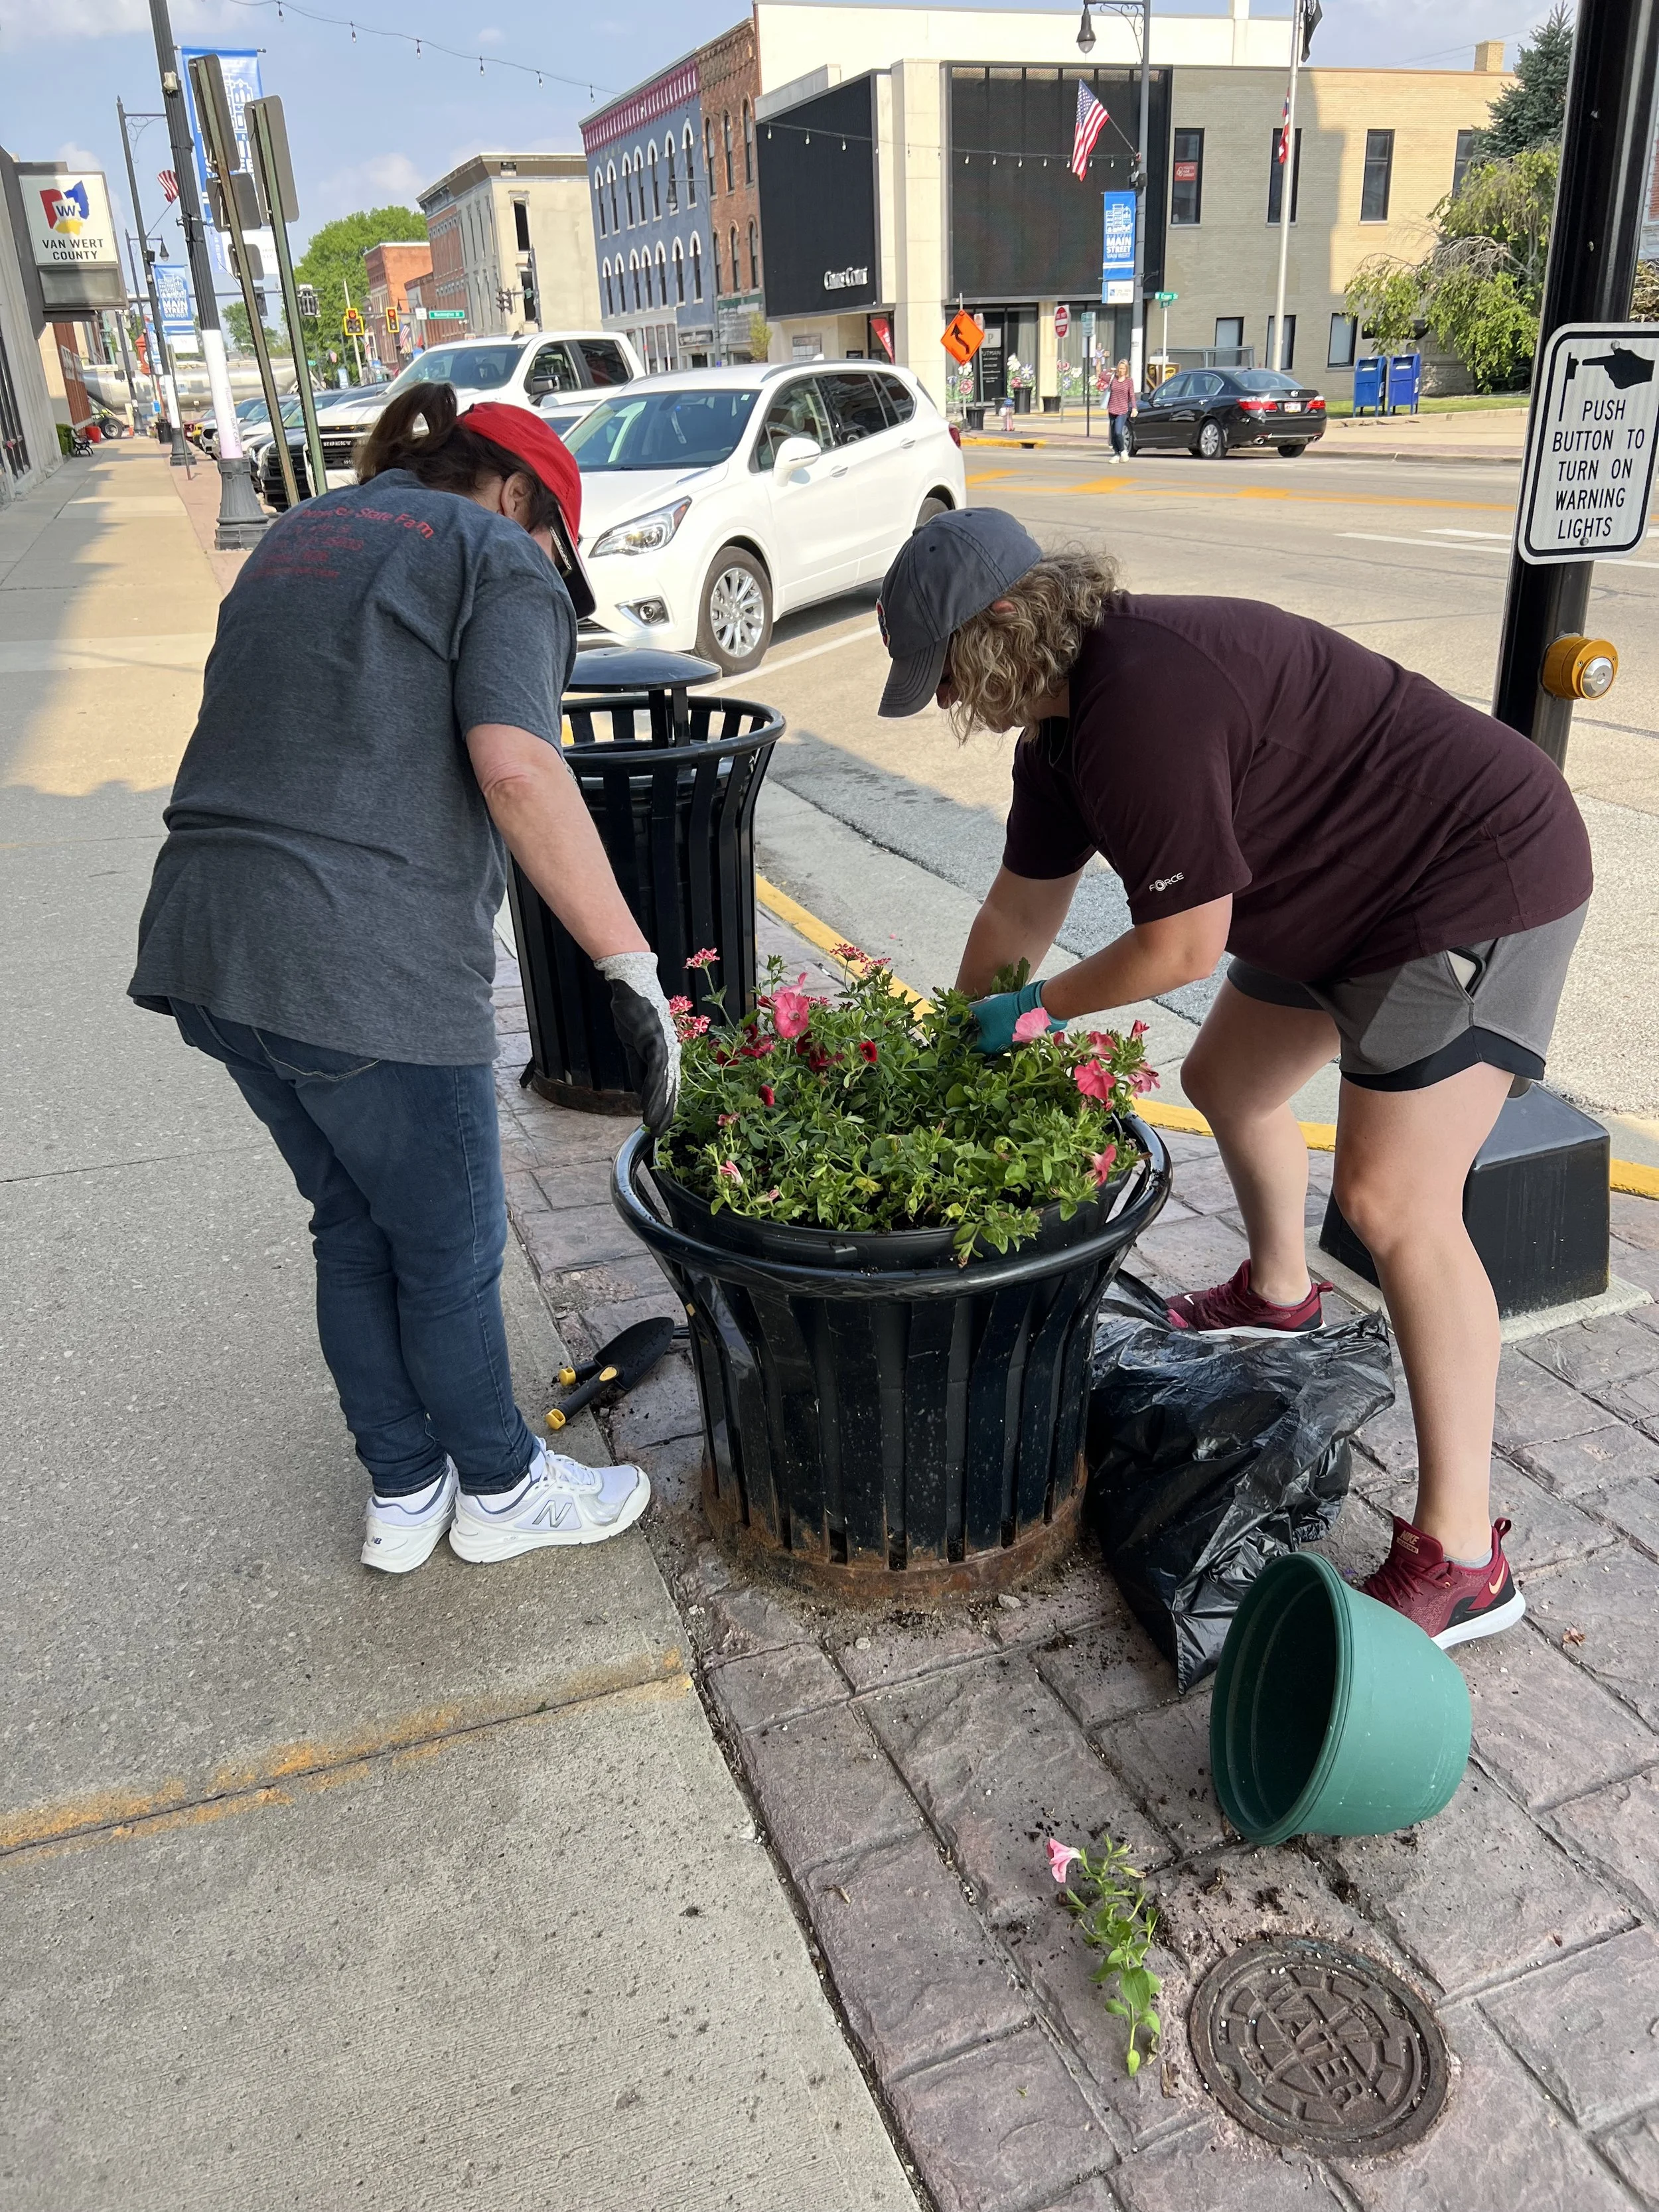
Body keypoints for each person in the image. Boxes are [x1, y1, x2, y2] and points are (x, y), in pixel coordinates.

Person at [873, 508, 1593, 1649]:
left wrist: (1037, 1011)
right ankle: (1279, 1293)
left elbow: (1181, 948)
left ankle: (1465, 1556)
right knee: (1227, 1077)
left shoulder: (1143, 697)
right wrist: (957, 1042)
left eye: (952, 673)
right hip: (1338, 891)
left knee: (1394, 1202)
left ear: (1006, 621)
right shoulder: (1058, 739)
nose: (956, 703)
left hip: (1468, 876)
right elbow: (1019, 908)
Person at [129, 384, 680, 1575]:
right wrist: (630, 966)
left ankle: (403, 1486)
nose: (551, 566)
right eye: (556, 543)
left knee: (353, 1226)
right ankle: (499, 1484)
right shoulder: (495, 552)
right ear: (521, 492)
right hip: (358, 955)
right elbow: (520, 768)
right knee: (447, 1245)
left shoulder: (299, 531)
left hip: (208, 942)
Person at [1105, 360, 1137, 464]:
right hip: (1112, 409)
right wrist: (1110, 370)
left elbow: (1132, 395)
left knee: (1118, 432)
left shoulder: (1129, 381)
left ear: (1127, 370)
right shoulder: (1113, 378)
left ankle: (1123, 451)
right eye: (1120, 368)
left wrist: (1134, 408)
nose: (1121, 370)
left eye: (1123, 368)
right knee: (1113, 434)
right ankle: (1116, 454)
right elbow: (1101, 375)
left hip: (1122, 410)